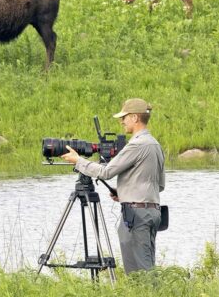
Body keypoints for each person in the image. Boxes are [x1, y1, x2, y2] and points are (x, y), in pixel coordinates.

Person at [60, 98, 165, 273]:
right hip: (151, 212)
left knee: (140, 273)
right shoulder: (155, 145)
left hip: (136, 216)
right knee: (145, 266)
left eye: (124, 117)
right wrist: (124, 192)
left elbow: (106, 172)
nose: (121, 121)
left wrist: (78, 161)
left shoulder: (137, 145)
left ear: (134, 118)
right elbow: (159, 185)